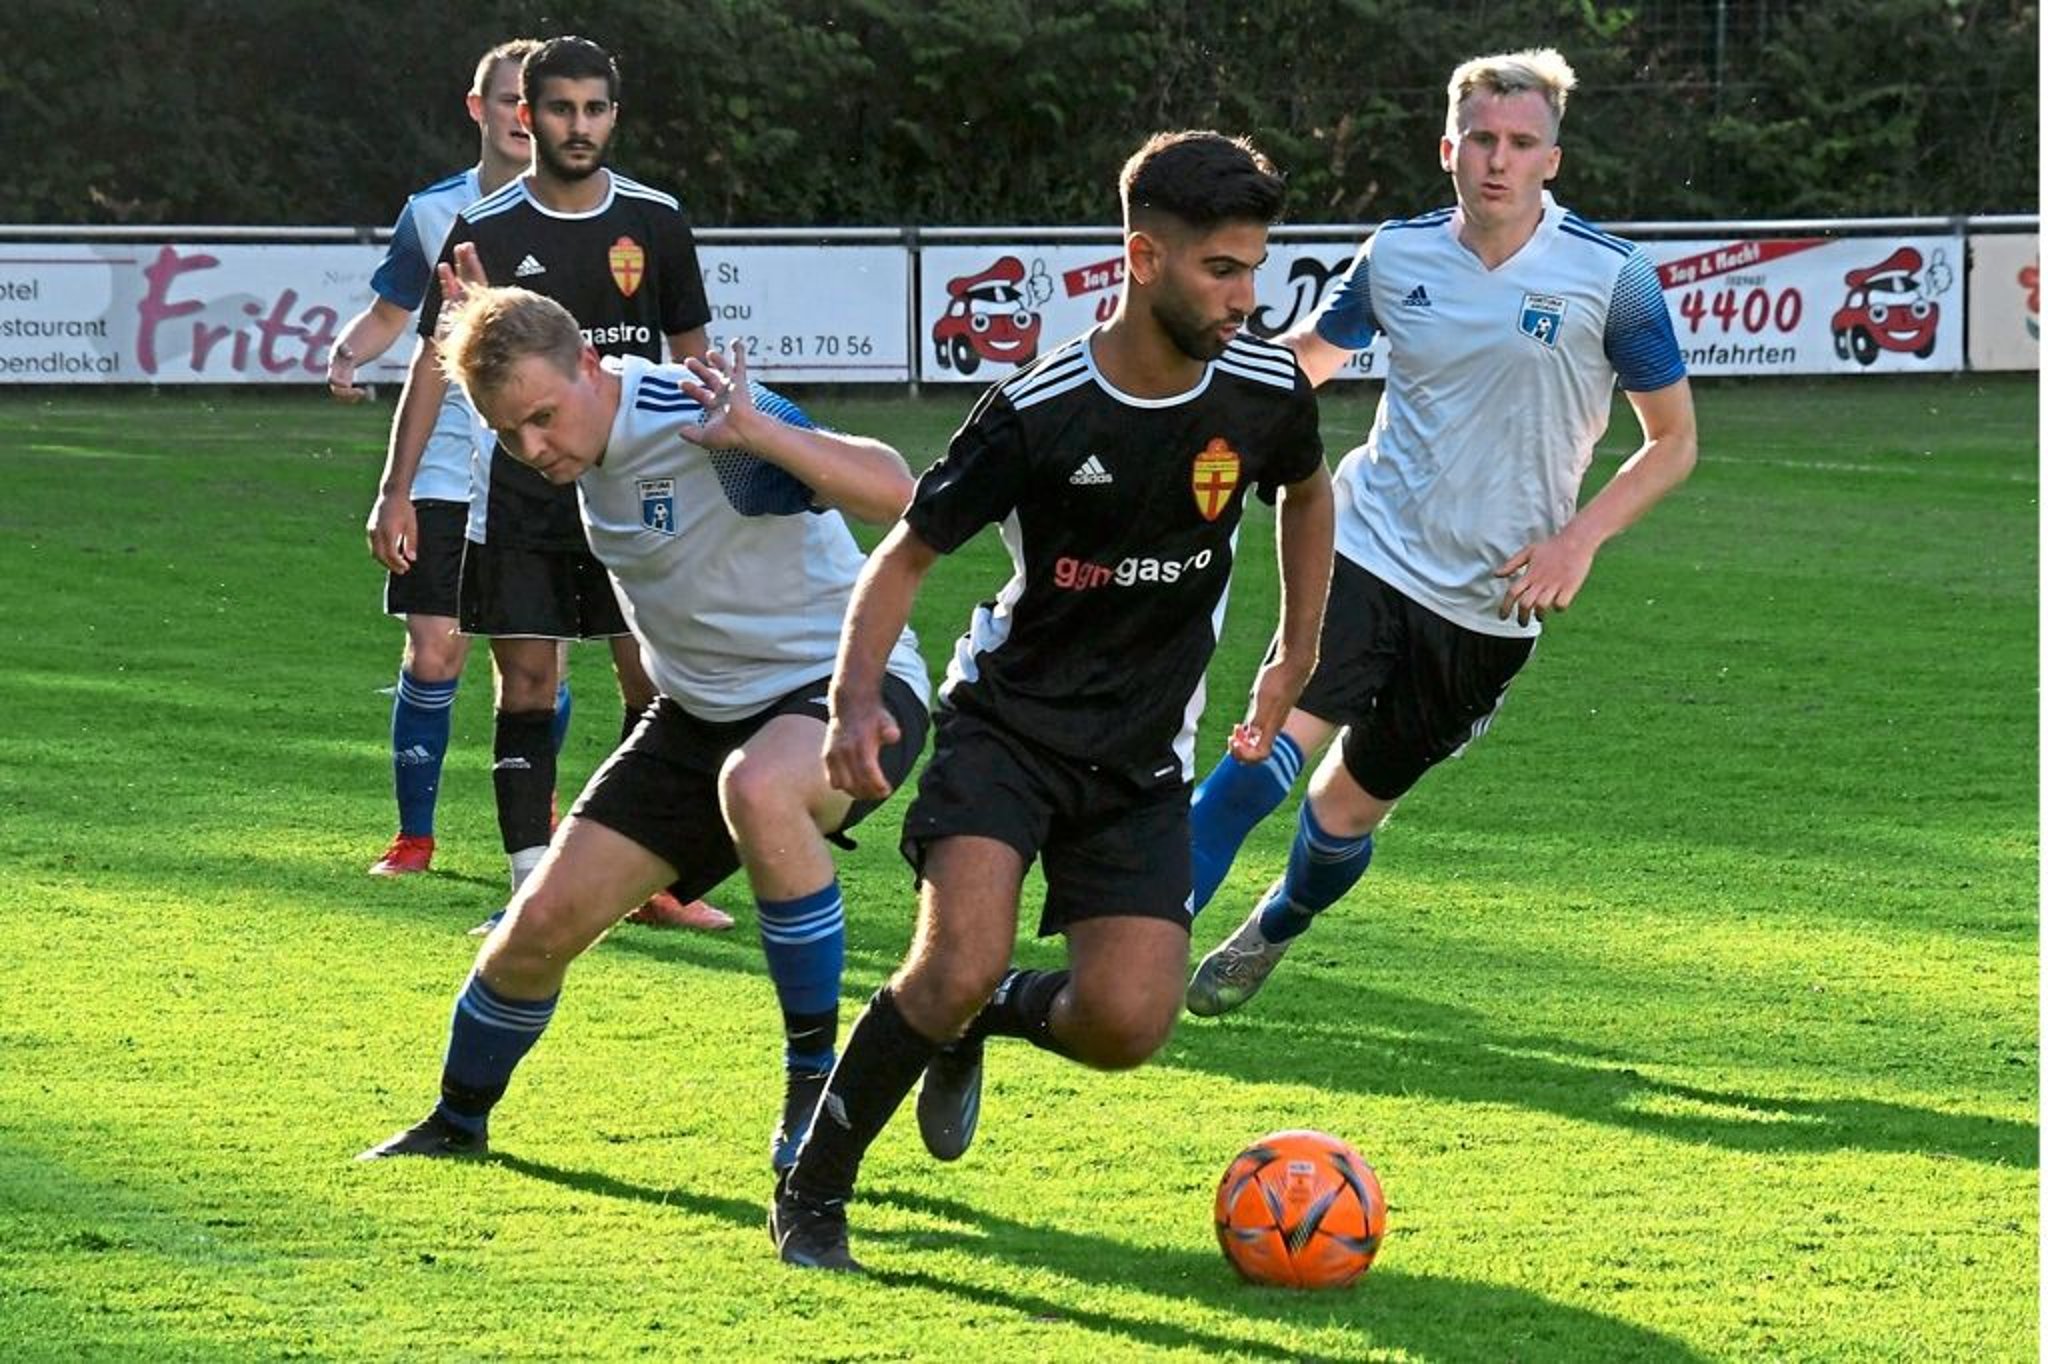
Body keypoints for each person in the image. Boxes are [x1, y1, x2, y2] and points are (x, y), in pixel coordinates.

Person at [772, 130, 1336, 1271]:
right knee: (949, 961)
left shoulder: (1265, 386)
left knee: (1127, 1023)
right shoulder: (1038, 410)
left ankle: (980, 1021)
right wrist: (847, 704)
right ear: (1143, 256)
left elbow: (1307, 493)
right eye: (1222, 270)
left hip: (1139, 754)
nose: (1247, 294)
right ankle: (812, 1189)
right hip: (1009, 726)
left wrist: (1293, 652)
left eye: (1253, 266)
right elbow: (903, 555)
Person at [358, 277, 931, 1168]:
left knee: (761, 788)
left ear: (590, 362)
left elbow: (900, 493)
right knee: (534, 929)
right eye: (509, 431)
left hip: (843, 688)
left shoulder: (698, 410)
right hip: (696, 716)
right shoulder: (572, 439)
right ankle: (455, 1123)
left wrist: (764, 433)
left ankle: (815, 1098)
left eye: (544, 416)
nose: (533, 446)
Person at [1182, 48, 1698, 1017]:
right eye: (1480, 140)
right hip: (1364, 545)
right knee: (1261, 758)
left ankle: (1275, 923)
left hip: (1489, 603)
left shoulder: (1611, 278)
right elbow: (1310, 358)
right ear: (1446, 147)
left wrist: (1575, 540)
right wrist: (1204, 406)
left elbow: (1671, 442)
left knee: (1340, 814)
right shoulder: (1397, 253)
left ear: (1551, 158)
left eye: (1520, 143)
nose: (1496, 160)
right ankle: (1129, 957)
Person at [372, 35, 730, 931]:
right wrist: (396, 486)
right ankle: (535, 884)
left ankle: (644, 880)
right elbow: (432, 366)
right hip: (523, 496)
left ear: (614, 115)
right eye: (561, 108)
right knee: (528, 683)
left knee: (654, 687)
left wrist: (723, 473)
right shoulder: (484, 230)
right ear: (524, 117)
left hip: (641, 493)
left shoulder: (656, 222)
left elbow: (696, 365)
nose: (580, 126)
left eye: (596, 108)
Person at [333, 38, 547, 878]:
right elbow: (397, 314)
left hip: (534, 462)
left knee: (533, 656)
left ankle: (539, 827)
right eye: (507, 102)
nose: (520, 119)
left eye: (534, 105)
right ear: (479, 109)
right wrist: (348, 353)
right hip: (445, 461)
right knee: (435, 649)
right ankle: (415, 836)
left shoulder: (581, 216)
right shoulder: (434, 212)